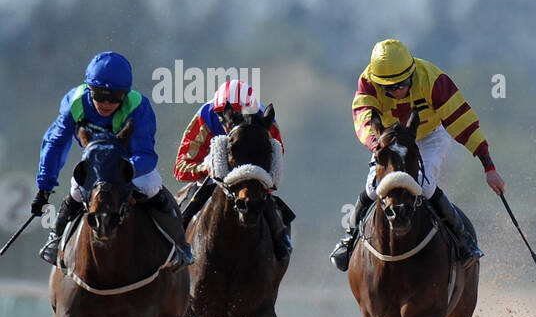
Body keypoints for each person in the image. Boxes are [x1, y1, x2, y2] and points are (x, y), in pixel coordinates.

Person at [330, 39, 504, 271]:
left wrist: (488, 166)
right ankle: (350, 238)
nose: (398, 91)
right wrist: (377, 144)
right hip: (389, 140)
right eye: (389, 88)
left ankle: (464, 241)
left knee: (425, 185)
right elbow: (363, 117)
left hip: (430, 136)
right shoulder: (367, 82)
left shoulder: (432, 79)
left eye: (401, 84)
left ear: (411, 73)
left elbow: (463, 121)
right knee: (373, 187)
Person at [33, 51, 192, 270]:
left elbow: (146, 154)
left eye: (114, 97)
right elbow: (55, 143)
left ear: (125, 95)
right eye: (99, 95)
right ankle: (56, 239)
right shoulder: (75, 103)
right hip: (95, 166)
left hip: (128, 166)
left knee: (152, 186)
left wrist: (124, 170)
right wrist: (44, 188)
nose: (106, 103)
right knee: (76, 192)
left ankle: (181, 246)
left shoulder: (138, 106)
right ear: (89, 90)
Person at [174, 79, 294, 259]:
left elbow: (275, 168)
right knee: (185, 207)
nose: (229, 121)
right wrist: (207, 167)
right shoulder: (205, 116)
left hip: (253, 180)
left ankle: (280, 240)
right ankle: (177, 244)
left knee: (265, 201)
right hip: (212, 180)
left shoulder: (265, 121)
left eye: (240, 114)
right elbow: (180, 168)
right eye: (224, 115)